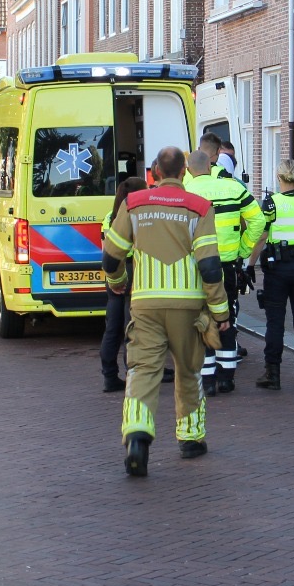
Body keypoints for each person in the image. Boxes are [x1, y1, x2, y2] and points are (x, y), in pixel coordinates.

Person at [102, 146, 231, 476]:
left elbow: (112, 255)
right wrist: (220, 311)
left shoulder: (134, 204)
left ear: (155, 171)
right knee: (189, 371)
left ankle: (137, 435)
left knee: (143, 370)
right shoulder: (199, 208)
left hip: (145, 305)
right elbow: (210, 265)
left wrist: (118, 280)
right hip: (187, 307)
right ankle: (190, 439)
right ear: (183, 171)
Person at [185, 139, 264, 395]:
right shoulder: (232, 188)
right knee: (226, 318)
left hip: (197, 267)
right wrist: (243, 248)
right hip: (227, 265)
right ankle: (226, 378)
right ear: (212, 164)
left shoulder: (184, 193)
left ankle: (207, 382)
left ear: (189, 169)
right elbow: (258, 221)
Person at [247, 160, 294, 389]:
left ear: (279, 177)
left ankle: (273, 373)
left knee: (275, 322)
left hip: (278, 268)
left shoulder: (271, 203)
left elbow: (261, 237)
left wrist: (250, 265)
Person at [99, 177, 147, 393]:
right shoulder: (138, 215)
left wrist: (112, 279)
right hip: (132, 269)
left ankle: (109, 376)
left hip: (113, 271)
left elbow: (106, 248)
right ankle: (132, 374)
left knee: (112, 328)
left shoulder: (109, 217)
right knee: (132, 327)